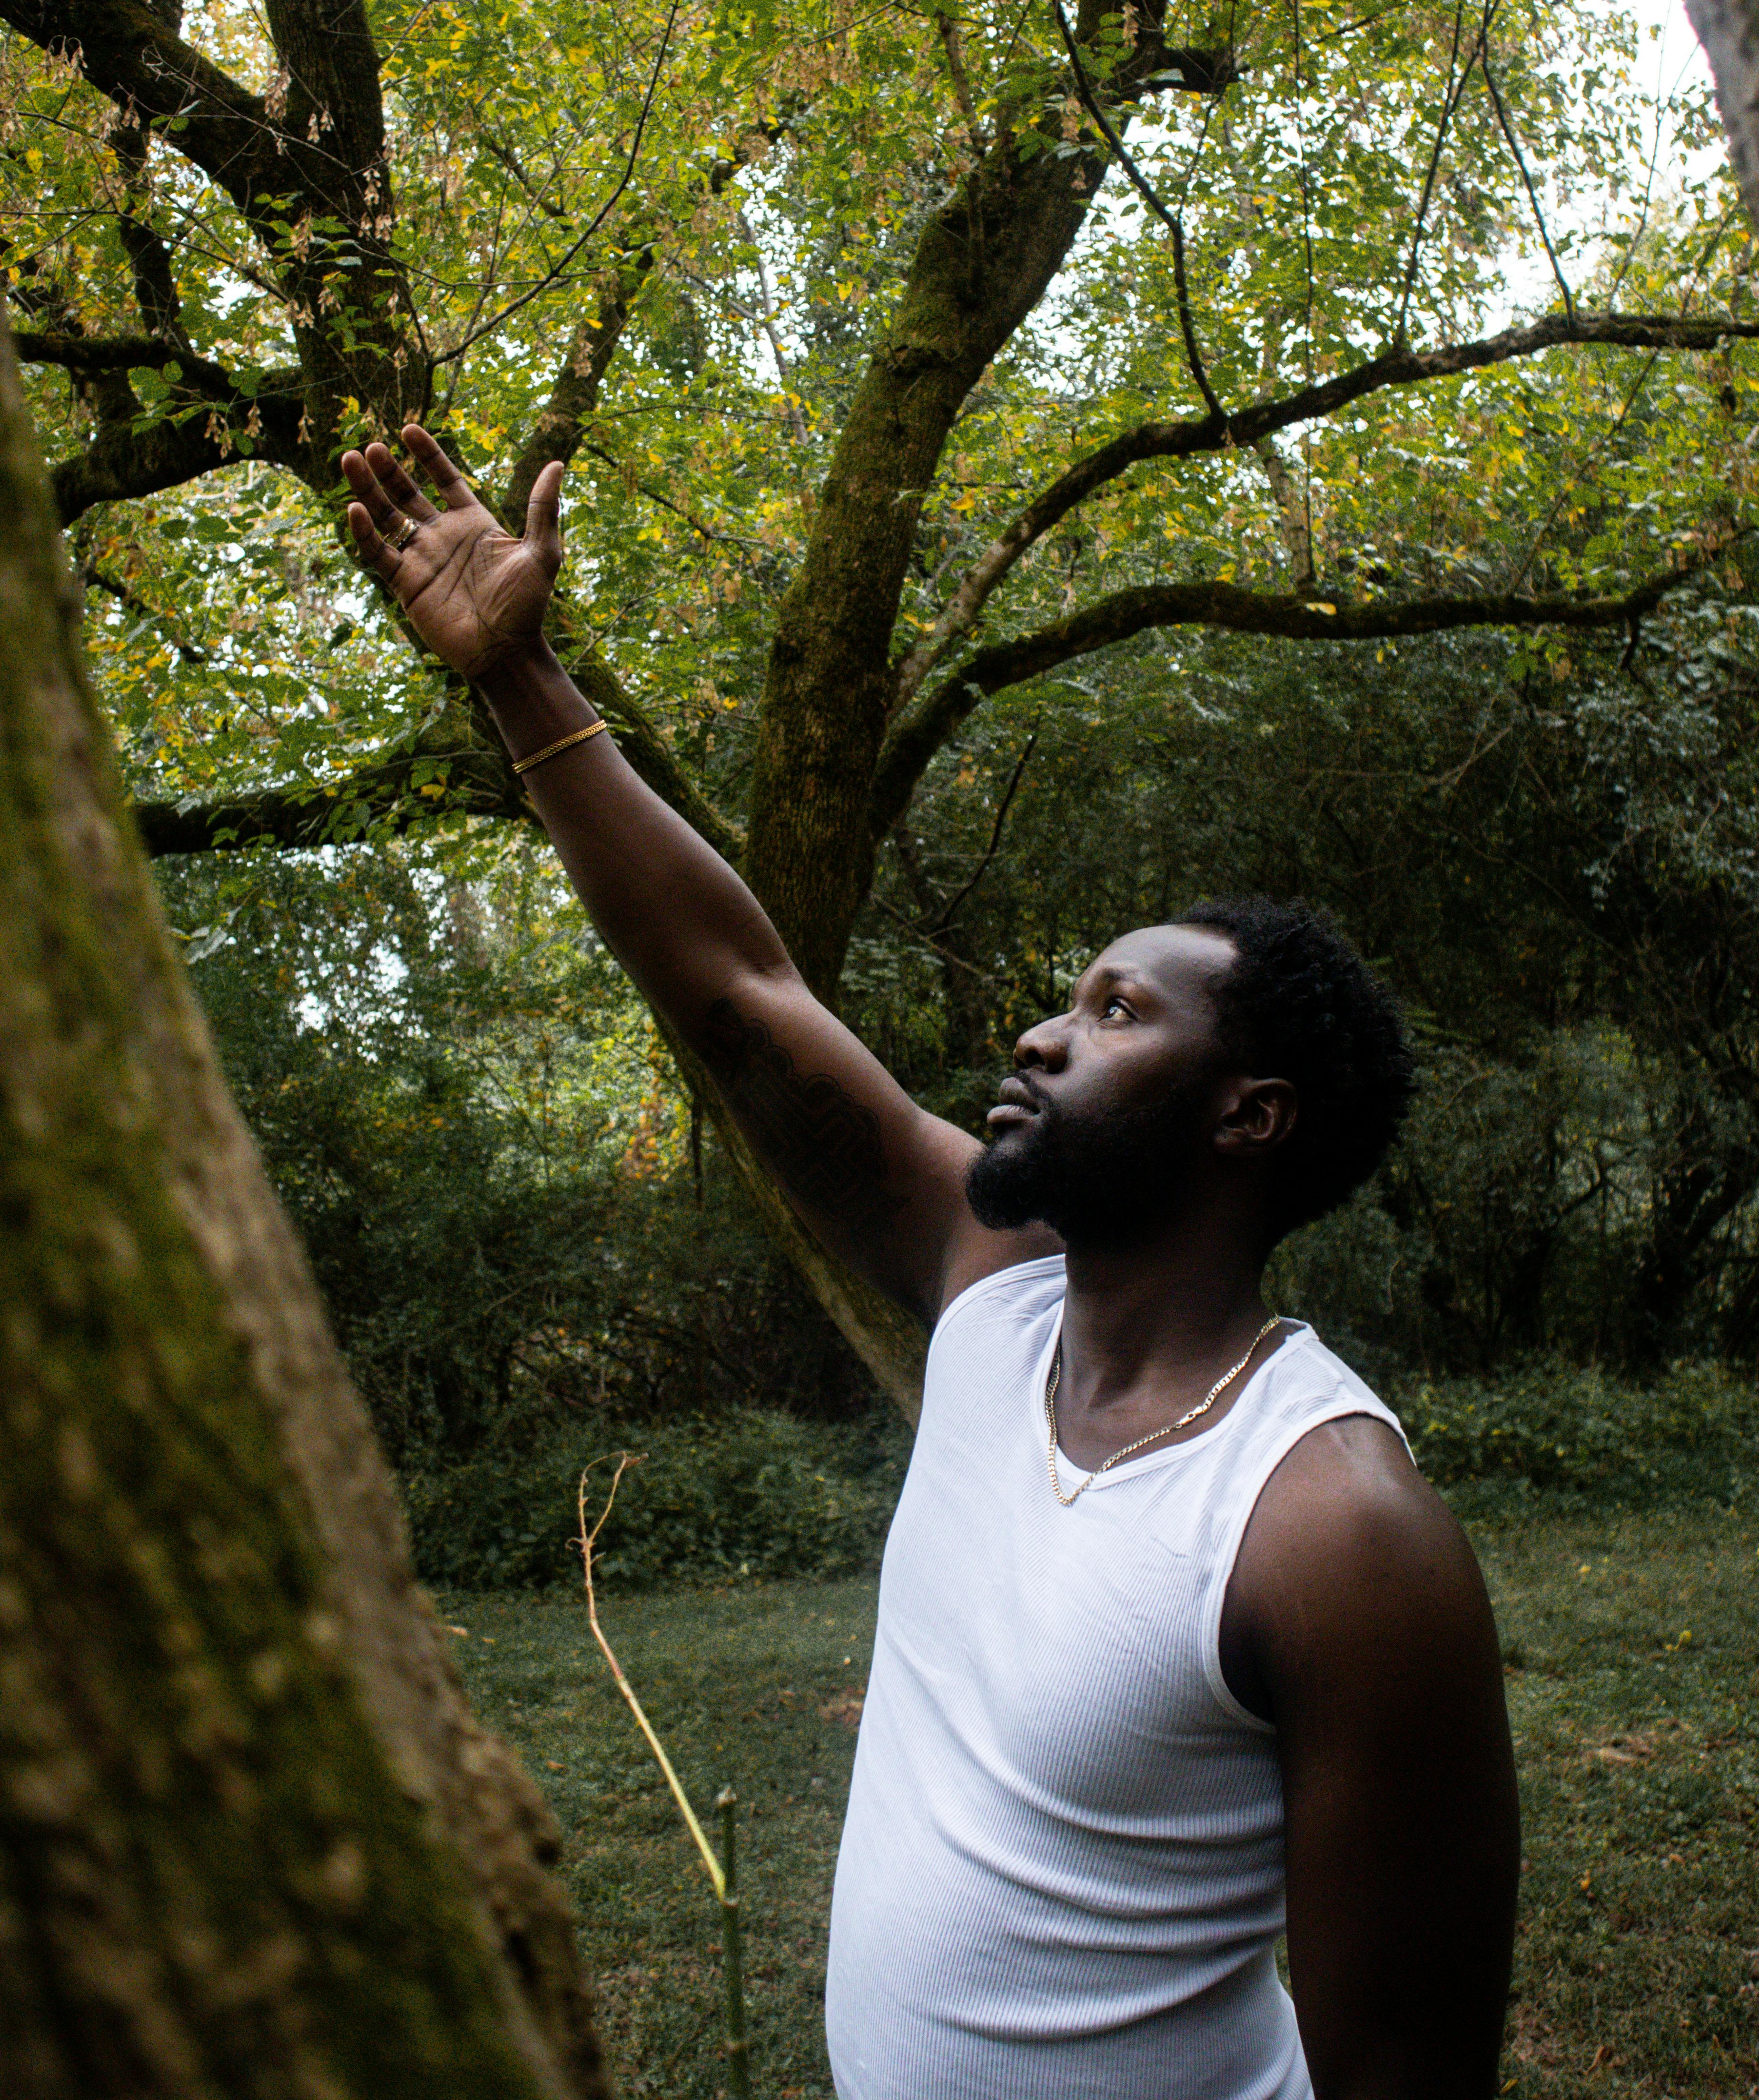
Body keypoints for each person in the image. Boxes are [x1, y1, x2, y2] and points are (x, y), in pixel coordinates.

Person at [343, 426, 1521, 2100]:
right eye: (1072, 994)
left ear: (1248, 1118)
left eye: (1117, 1011)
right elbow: (745, 1010)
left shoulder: (1334, 1531)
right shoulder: (996, 1295)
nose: (1047, 1031)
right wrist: (521, 680)